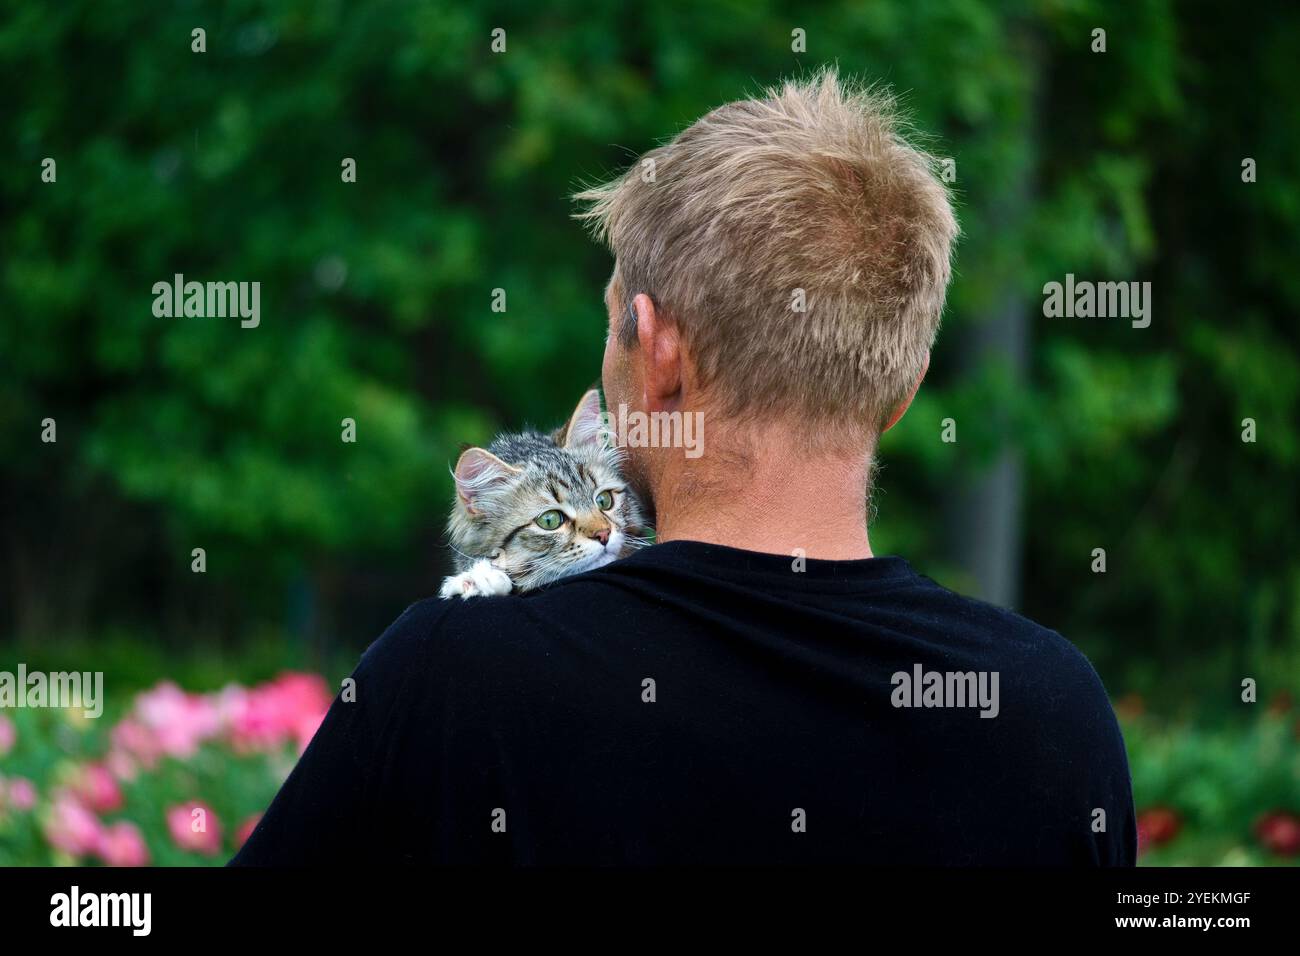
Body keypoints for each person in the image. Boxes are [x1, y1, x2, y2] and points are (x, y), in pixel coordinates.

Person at [232, 69, 1135, 866]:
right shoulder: (1051, 711)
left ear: (658, 354)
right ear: (902, 391)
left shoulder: (447, 674)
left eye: (610, 325)